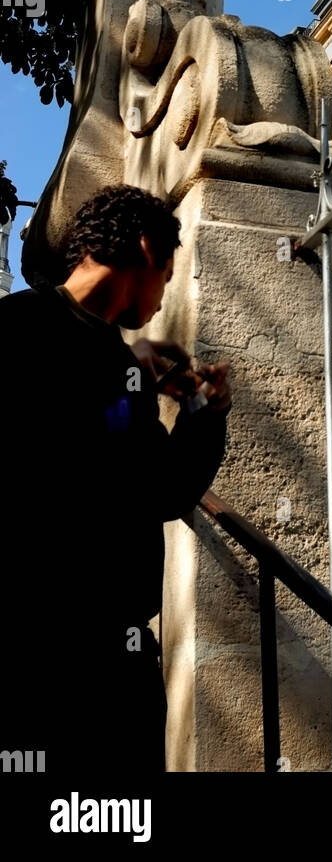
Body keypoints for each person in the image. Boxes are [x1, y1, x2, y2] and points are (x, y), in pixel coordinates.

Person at [0, 185, 231, 773]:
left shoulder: (97, 355)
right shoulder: (38, 337)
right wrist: (186, 405)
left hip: (95, 658)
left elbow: (148, 483)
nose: (160, 301)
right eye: (166, 277)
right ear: (147, 247)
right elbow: (152, 485)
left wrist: (176, 402)